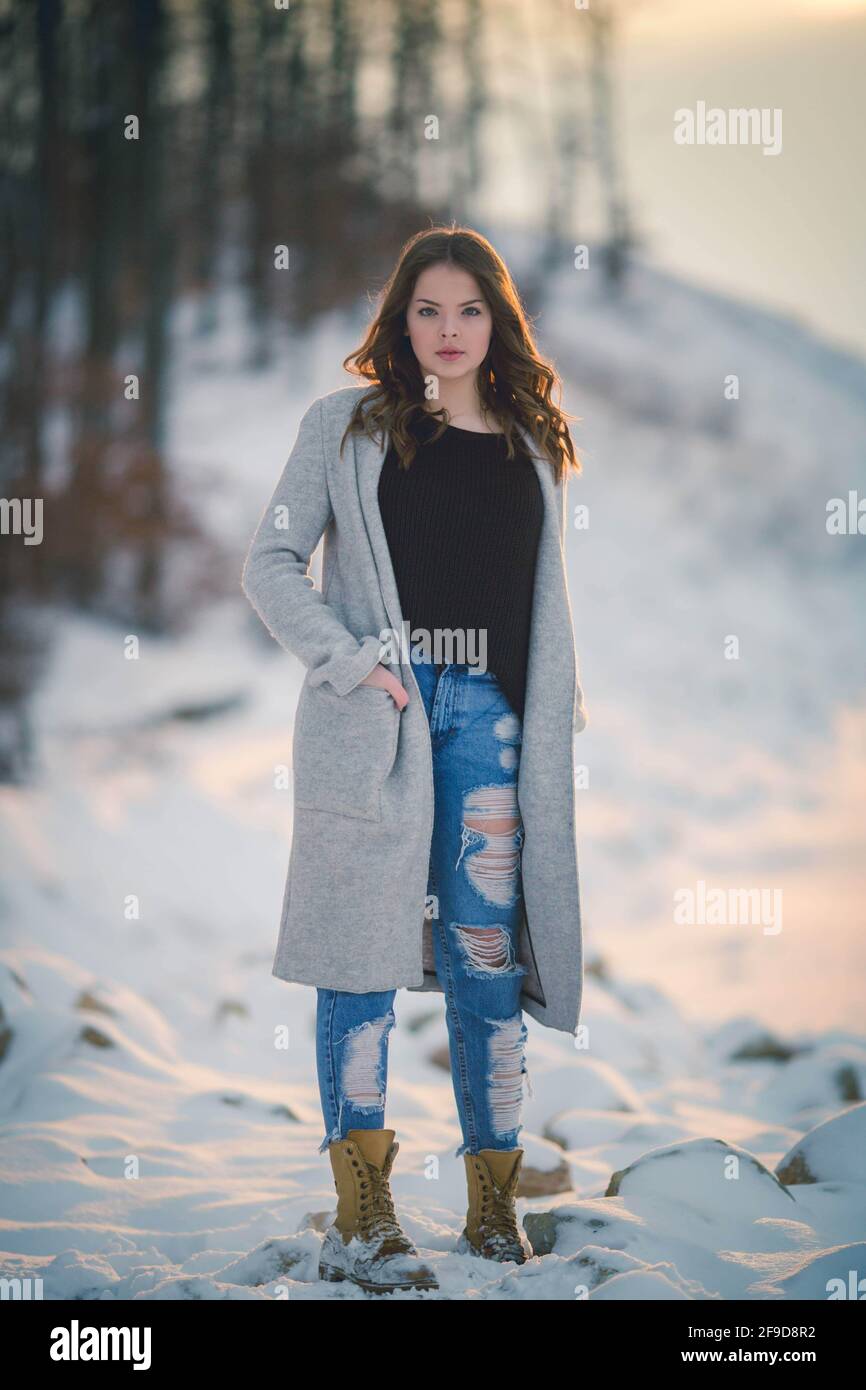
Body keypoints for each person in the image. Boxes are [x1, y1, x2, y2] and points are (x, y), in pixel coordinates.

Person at [241, 225, 587, 1293]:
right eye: (426, 311)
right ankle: (365, 1214)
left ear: (498, 322)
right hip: (379, 723)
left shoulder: (534, 436)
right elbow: (270, 561)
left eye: (468, 311)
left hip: (490, 724)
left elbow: (535, 594)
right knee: (360, 963)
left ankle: (491, 1208)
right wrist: (348, 664)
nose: (447, 331)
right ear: (399, 321)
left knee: (483, 960)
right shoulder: (343, 427)